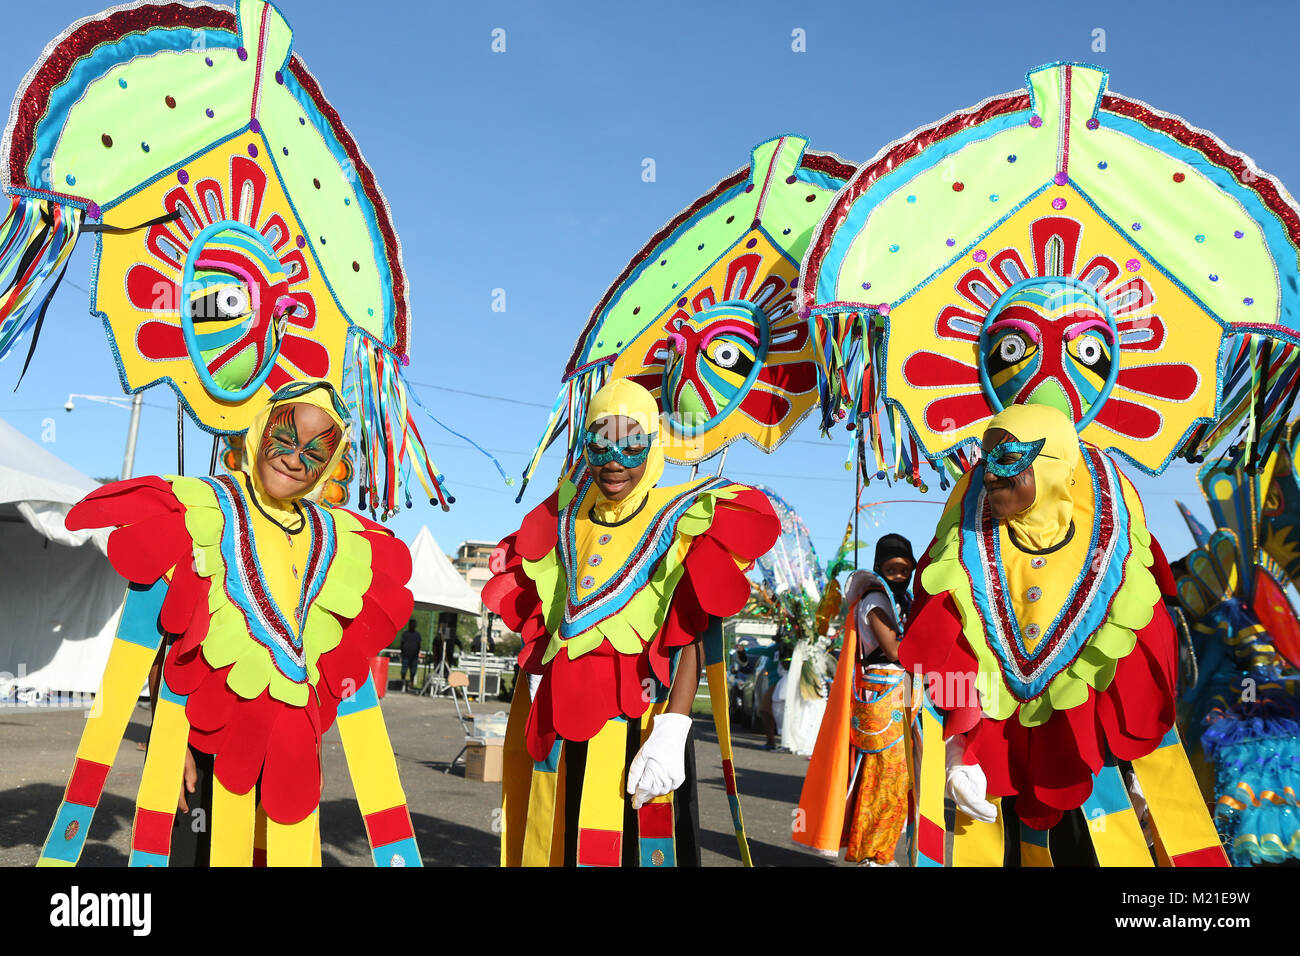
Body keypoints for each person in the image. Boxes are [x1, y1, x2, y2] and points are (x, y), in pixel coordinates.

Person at [38, 380, 421, 867]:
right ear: (258, 432)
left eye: (316, 451)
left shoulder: (342, 540)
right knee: (196, 852)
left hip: (287, 758)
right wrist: (167, 740)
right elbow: (163, 642)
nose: (295, 458)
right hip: (200, 741)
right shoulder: (201, 508)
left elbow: (341, 671)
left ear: (331, 465)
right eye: (284, 437)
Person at [898, 403, 1227, 866]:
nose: (990, 476)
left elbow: (1143, 663)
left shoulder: (1117, 554)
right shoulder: (965, 547)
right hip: (1001, 766)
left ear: (1053, 467)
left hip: (1097, 775)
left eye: (1009, 459)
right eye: (984, 460)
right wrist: (960, 745)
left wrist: (1139, 769)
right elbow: (953, 651)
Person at [484, 378, 779, 866]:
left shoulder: (684, 513)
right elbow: (546, 614)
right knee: (557, 836)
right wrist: (538, 676)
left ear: (654, 442)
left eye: (632, 442)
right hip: (562, 722)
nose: (614, 460)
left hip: (643, 727)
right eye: (599, 443)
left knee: (632, 845)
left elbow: (692, 629)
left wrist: (675, 725)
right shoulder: (564, 515)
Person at [795, 535, 916, 864]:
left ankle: (881, 852)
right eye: (892, 569)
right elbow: (894, 650)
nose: (899, 576)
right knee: (883, 775)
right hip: (883, 693)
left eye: (905, 569)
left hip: (900, 693)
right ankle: (871, 854)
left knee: (898, 777)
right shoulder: (876, 600)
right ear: (879, 568)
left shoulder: (901, 600)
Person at [400, 620, 422, 692]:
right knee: (403, 671)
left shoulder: (417, 635)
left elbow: (419, 645)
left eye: (414, 625)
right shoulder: (405, 634)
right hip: (405, 656)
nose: (413, 626)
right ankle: (403, 683)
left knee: (413, 671)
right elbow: (402, 644)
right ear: (409, 625)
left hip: (414, 657)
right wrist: (402, 655)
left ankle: (411, 683)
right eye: (411, 624)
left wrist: (418, 653)